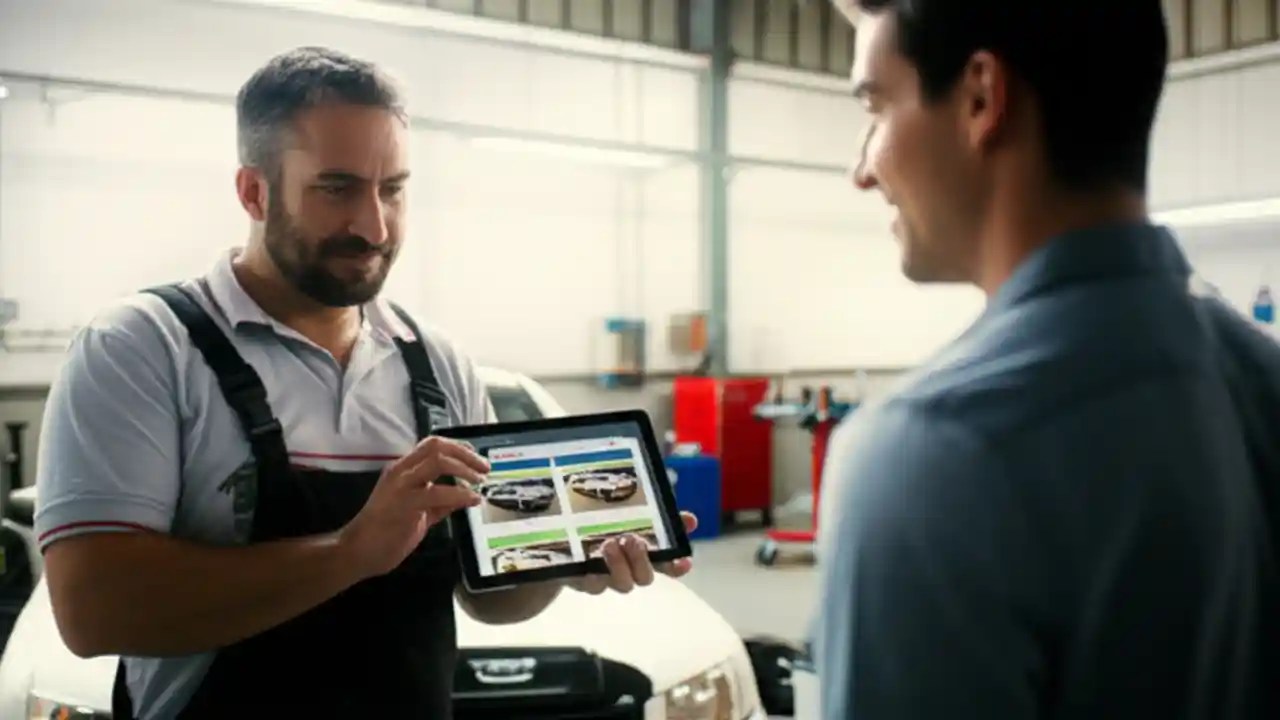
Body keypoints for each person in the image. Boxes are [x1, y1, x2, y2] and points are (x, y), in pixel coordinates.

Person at [34, 46, 695, 719]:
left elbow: (489, 601)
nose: (374, 226)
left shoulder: (438, 365)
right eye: (337, 187)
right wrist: (350, 551)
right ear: (253, 191)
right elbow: (95, 613)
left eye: (393, 189)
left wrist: (565, 566)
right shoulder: (141, 347)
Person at [814, 1, 1279, 718]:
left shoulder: (930, 455)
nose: (862, 170)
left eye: (877, 107)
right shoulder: (1260, 381)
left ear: (980, 97)